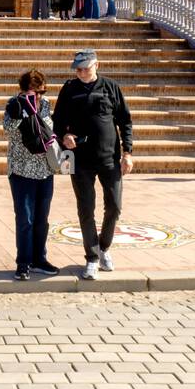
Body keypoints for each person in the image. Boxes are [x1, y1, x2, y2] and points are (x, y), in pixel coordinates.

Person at [53, 47, 133, 280]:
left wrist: (127, 152)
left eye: (85, 68)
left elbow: (125, 121)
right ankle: (92, 258)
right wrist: (64, 136)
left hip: (109, 159)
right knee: (86, 209)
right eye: (77, 69)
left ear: (97, 65)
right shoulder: (69, 89)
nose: (80, 73)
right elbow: (57, 122)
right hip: (80, 160)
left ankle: (104, 247)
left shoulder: (110, 88)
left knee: (115, 206)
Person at [2, 68, 60, 281]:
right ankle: (23, 263)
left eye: (41, 91)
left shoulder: (45, 105)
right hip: (21, 170)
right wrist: (23, 110)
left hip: (44, 170)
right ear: (24, 90)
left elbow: (51, 129)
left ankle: (39, 259)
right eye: (35, 92)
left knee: (41, 219)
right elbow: (8, 129)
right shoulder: (14, 104)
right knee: (25, 218)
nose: (39, 96)